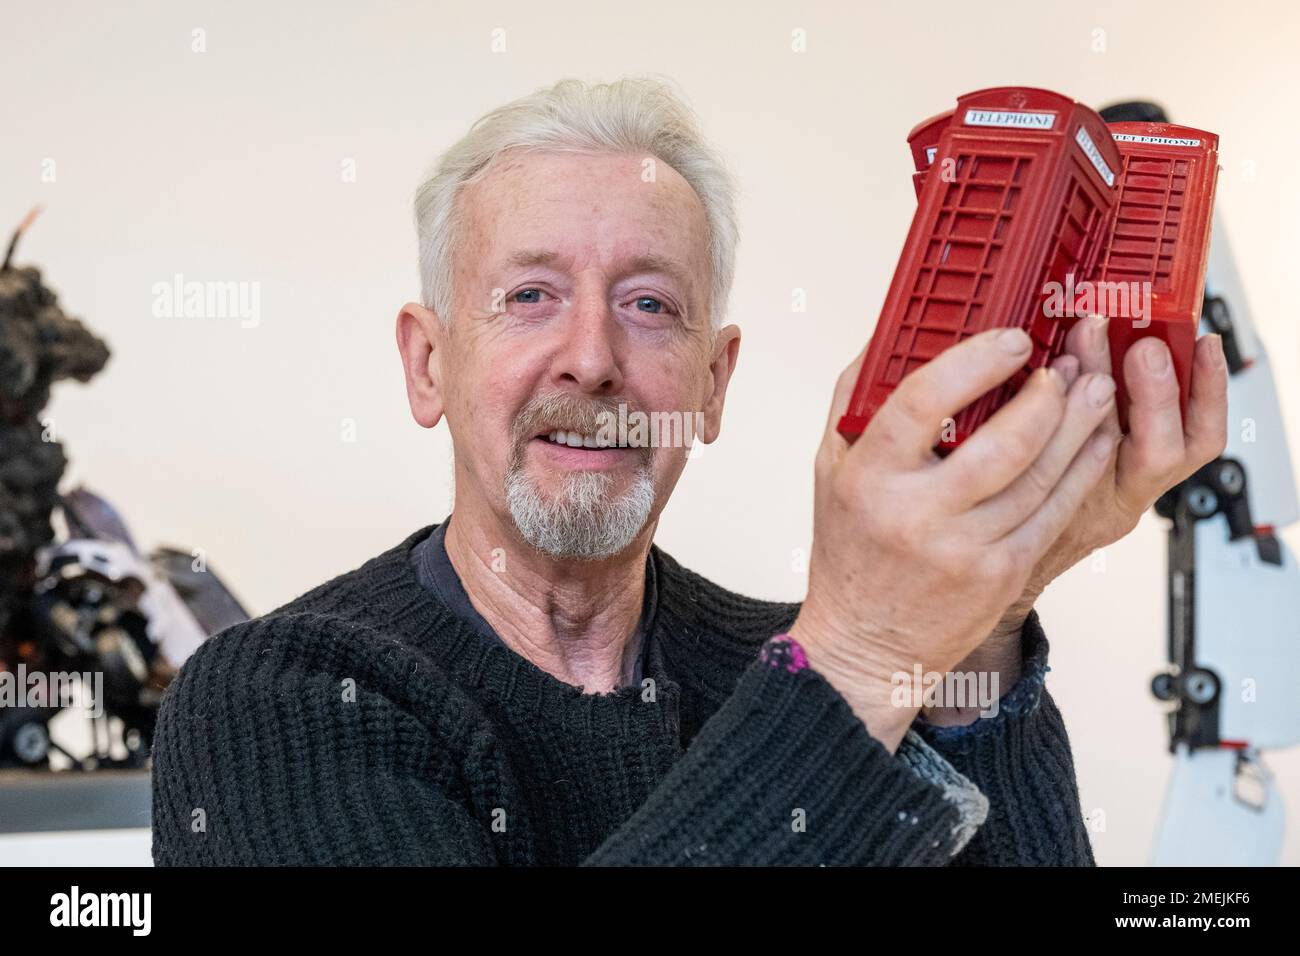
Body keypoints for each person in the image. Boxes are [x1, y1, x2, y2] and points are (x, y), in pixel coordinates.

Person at [151, 77, 1227, 866]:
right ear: (428, 363)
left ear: (712, 384)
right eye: (530, 295)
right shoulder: (273, 698)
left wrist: (989, 606)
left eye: (649, 304)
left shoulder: (792, 666)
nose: (592, 357)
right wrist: (863, 656)